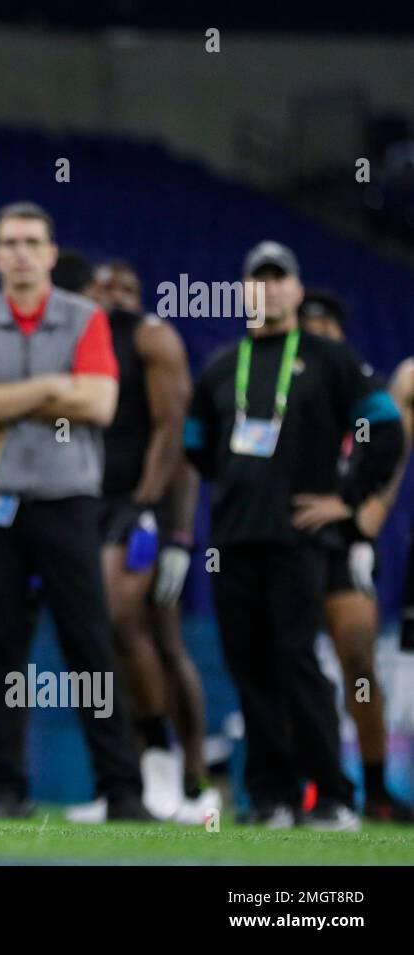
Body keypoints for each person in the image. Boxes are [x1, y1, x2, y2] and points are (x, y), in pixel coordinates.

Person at [185, 241, 404, 830]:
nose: (269, 289)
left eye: (280, 278)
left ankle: (332, 796)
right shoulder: (220, 365)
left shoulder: (329, 358)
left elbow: (385, 429)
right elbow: (196, 445)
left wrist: (349, 500)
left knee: (298, 665)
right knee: (251, 671)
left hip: (298, 543)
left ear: (297, 291)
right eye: (258, 279)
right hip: (232, 544)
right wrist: (239, 490)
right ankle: (271, 796)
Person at [0, 203, 148, 821]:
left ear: (52, 253)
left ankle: (123, 791)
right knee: (1, 646)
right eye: (10, 242)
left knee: (89, 644)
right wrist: (51, 389)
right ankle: (4, 789)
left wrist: (4, 401)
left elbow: (101, 404)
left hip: (67, 500)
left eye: (33, 241)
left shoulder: (85, 317)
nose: (22, 252)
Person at [53, 253, 215, 824]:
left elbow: (176, 432)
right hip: (83, 502)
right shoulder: (70, 343)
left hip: (138, 505)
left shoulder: (150, 337)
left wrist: (166, 524)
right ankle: (125, 774)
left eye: (126, 285)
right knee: (109, 639)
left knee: (141, 632)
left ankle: (180, 768)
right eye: (102, 283)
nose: (113, 293)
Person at [298, 288, 414, 821]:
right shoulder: (279, 389)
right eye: (310, 326)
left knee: (359, 662)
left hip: (344, 546)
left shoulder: (362, 391)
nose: (320, 335)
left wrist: (364, 522)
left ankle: (377, 789)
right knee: (288, 664)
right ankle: (309, 787)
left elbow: (393, 443)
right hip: (288, 543)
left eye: (329, 327)